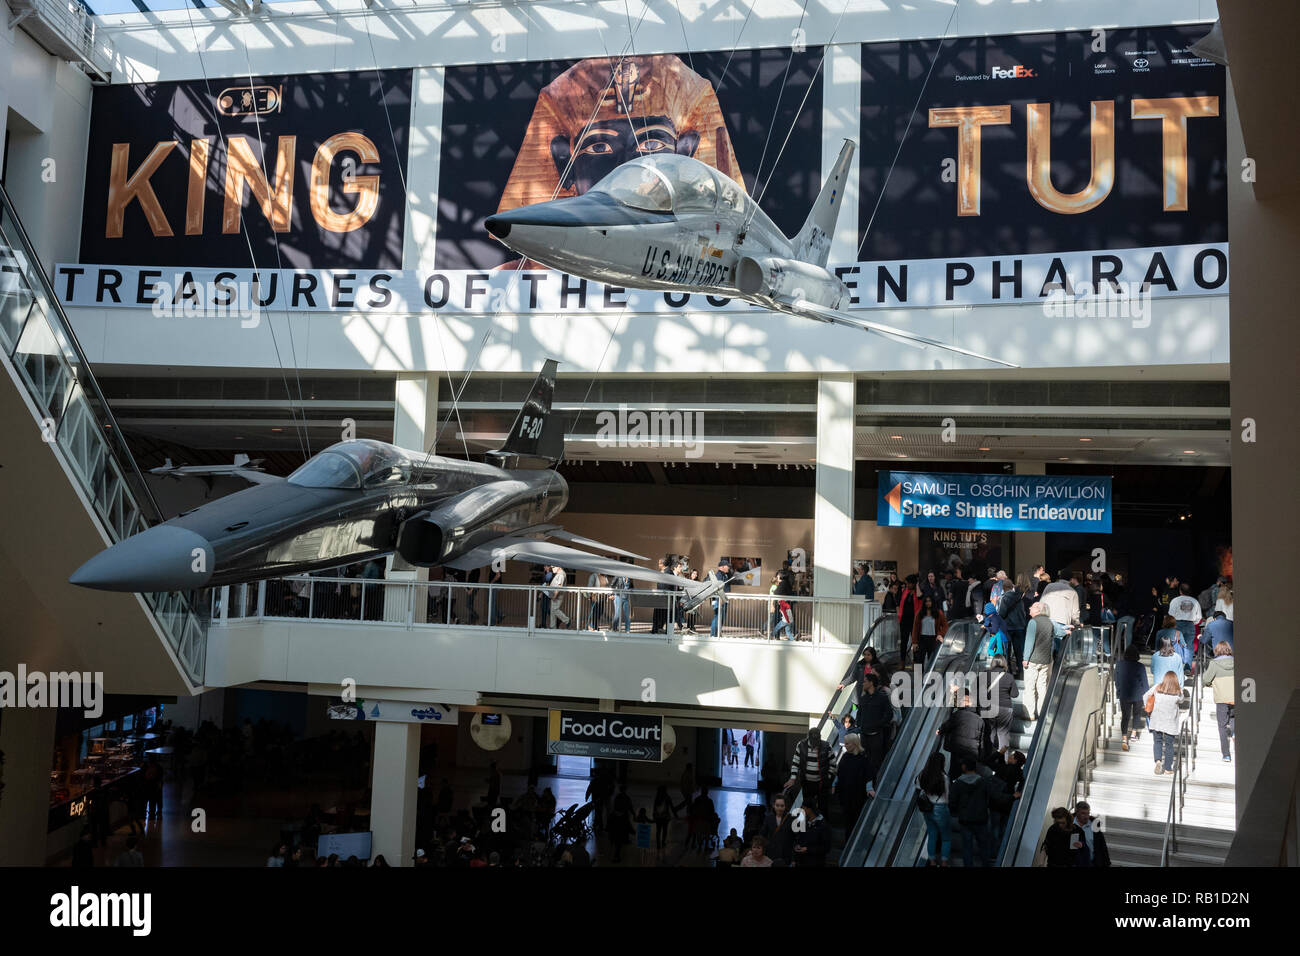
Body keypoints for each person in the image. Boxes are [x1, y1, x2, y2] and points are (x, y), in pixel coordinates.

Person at [949, 757, 992, 867]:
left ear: (964, 767)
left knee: (967, 847)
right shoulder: (983, 781)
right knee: (983, 845)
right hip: (981, 819)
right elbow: (990, 798)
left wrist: (957, 811)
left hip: (965, 820)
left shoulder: (958, 783)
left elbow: (952, 801)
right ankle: (986, 864)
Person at [1143, 671, 1184, 775]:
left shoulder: (1157, 687)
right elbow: (1182, 700)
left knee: (1157, 742)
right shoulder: (1178, 692)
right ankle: (1168, 768)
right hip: (1170, 722)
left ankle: (1158, 761)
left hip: (1157, 720)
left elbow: (1145, 696)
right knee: (1169, 744)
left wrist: (1147, 708)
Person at [1201, 642, 1236, 762]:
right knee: (1233, 718)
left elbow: (1205, 679)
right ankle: (1234, 733)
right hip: (1235, 697)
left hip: (1221, 698)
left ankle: (1226, 755)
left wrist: (1210, 683)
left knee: (1221, 726)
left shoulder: (1214, 664)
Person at [939, 693, 986, 779]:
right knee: (969, 775)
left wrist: (940, 730)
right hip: (972, 753)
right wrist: (981, 756)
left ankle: (953, 786)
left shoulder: (959, 714)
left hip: (957, 749)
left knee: (955, 772)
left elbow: (947, 726)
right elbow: (981, 741)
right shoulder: (980, 720)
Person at [916, 752, 951, 866]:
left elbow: (917, 786)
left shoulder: (922, 774)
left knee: (932, 834)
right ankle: (944, 862)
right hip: (940, 807)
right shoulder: (943, 777)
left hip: (927, 808)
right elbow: (947, 795)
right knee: (946, 837)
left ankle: (932, 861)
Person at [856, 673, 893, 779]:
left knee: (875, 761)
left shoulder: (881, 697)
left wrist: (879, 724)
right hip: (864, 734)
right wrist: (860, 725)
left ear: (871, 683)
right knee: (864, 759)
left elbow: (889, 714)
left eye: (865, 681)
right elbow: (859, 713)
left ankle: (874, 781)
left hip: (876, 734)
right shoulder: (863, 699)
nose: (863, 683)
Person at [786, 727, 834, 809]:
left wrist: (827, 777)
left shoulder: (827, 746)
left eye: (817, 741)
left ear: (820, 737)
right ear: (809, 738)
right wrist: (792, 778)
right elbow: (795, 762)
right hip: (807, 783)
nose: (814, 744)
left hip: (821, 783)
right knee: (807, 807)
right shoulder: (801, 745)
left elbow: (833, 764)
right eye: (813, 742)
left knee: (823, 807)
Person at [1114, 643, 1150, 751]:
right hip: (1138, 694)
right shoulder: (1140, 666)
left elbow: (1116, 680)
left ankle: (1124, 738)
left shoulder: (1119, 664)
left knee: (1125, 716)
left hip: (1124, 694)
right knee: (1137, 714)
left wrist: (1119, 691)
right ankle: (1134, 734)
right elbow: (1144, 682)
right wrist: (1147, 695)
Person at [831, 733, 870, 833]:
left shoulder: (863, 758)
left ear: (854, 744)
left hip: (857, 796)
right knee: (847, 822)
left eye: (847, 743)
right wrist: (834, 785)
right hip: (846, 795)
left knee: (855, 821)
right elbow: (839, 773)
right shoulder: (845, 757)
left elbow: (868, 775)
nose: (845, 745)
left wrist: (869, 788)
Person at [1022, 602, 1054, 721]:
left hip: (1033, 660)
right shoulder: (1049, 622)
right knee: (1042, 687)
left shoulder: (1033, 622)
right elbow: (1057, 634)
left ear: (1039, 610)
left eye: (1033, 606)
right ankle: (1042, 713)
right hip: (1046, 660)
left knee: (1030, 687)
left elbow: (1029, 642)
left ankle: (1029, 714)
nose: (1030, 607)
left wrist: (1025, 658)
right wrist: (1066, 630)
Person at [986, 655, 1018, 752]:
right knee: (1003, 734)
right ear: (1004, 663)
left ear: (993, 663)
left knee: (990, 732)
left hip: (989, 707)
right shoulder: (1009, 677)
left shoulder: (985, 674)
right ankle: (1003, 760)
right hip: (1005, 708)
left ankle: (988, 758)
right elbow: (1015, 694)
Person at [1168, 583, 1201, 664]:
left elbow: (1171, 614)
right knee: (1189, 646)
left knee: (1175, 644)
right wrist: (1192, 622)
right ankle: (1187, 667)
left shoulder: (1175, 600)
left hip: (1177, 624)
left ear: (1180, 591)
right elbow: (1199, 617)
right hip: (1190, 625)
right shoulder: (1195, 601)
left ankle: (1176, 664)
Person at [911, 594, 948, 667]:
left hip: (933, 639)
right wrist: (914, 642)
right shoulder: (920, 613)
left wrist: (940, 634)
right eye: (926, 601)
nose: (928, 603)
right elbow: (915, 628)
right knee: (919, 661)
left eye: (930, 601)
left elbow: (945, 626)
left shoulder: (938, 613)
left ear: (933, 602)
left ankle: (930, 677)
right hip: (922, 639)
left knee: (931, 661)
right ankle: (918, 678)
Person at [1070, 801, 1110, 866]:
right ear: (1077, 812)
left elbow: (1102, 845)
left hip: (1091, 863)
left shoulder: (1094, 825)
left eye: (1088, 813)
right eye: (1083, 813)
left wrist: (1107, 863)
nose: (1086, 816)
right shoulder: (1069, 824)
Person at [791, 802, 830, 867]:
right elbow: (799, 839)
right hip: (802, 861)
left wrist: (808, 849)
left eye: (803, 809)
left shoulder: (824, 826)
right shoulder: (804, 823)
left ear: (809, 809)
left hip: (816, 863)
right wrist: (797, 846)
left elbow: (826, 848)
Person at [762, 794, 796, 867]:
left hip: (786, 855)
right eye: (777, 805)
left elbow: (794, 839)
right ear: (773, 805)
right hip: (771, 854)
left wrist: (793, 859)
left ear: (785, 806)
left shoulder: (791, 819)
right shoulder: (768, 818)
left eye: (782, 806)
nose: (779, 808)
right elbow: (762, 835)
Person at [708, 559, 733, 636]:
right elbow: (717, 589)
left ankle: (717, 633)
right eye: (727, 566)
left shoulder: (725, 575)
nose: (728, 568)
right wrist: (721, 599)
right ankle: (713, 634)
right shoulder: (718, 576)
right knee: (717, 617)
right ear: (722, 567)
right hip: (719, 600)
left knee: (721, 617)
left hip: (723, 599)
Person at [652, 785, 674, 851]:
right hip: (665, 817)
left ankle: (658, 844)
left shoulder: (657, 797)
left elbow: (654, 807)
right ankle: (663, 842)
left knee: (658, 831)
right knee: (664, 830)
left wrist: (654, 815)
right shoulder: (667, 797)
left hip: (658, 817)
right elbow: (672, 807)